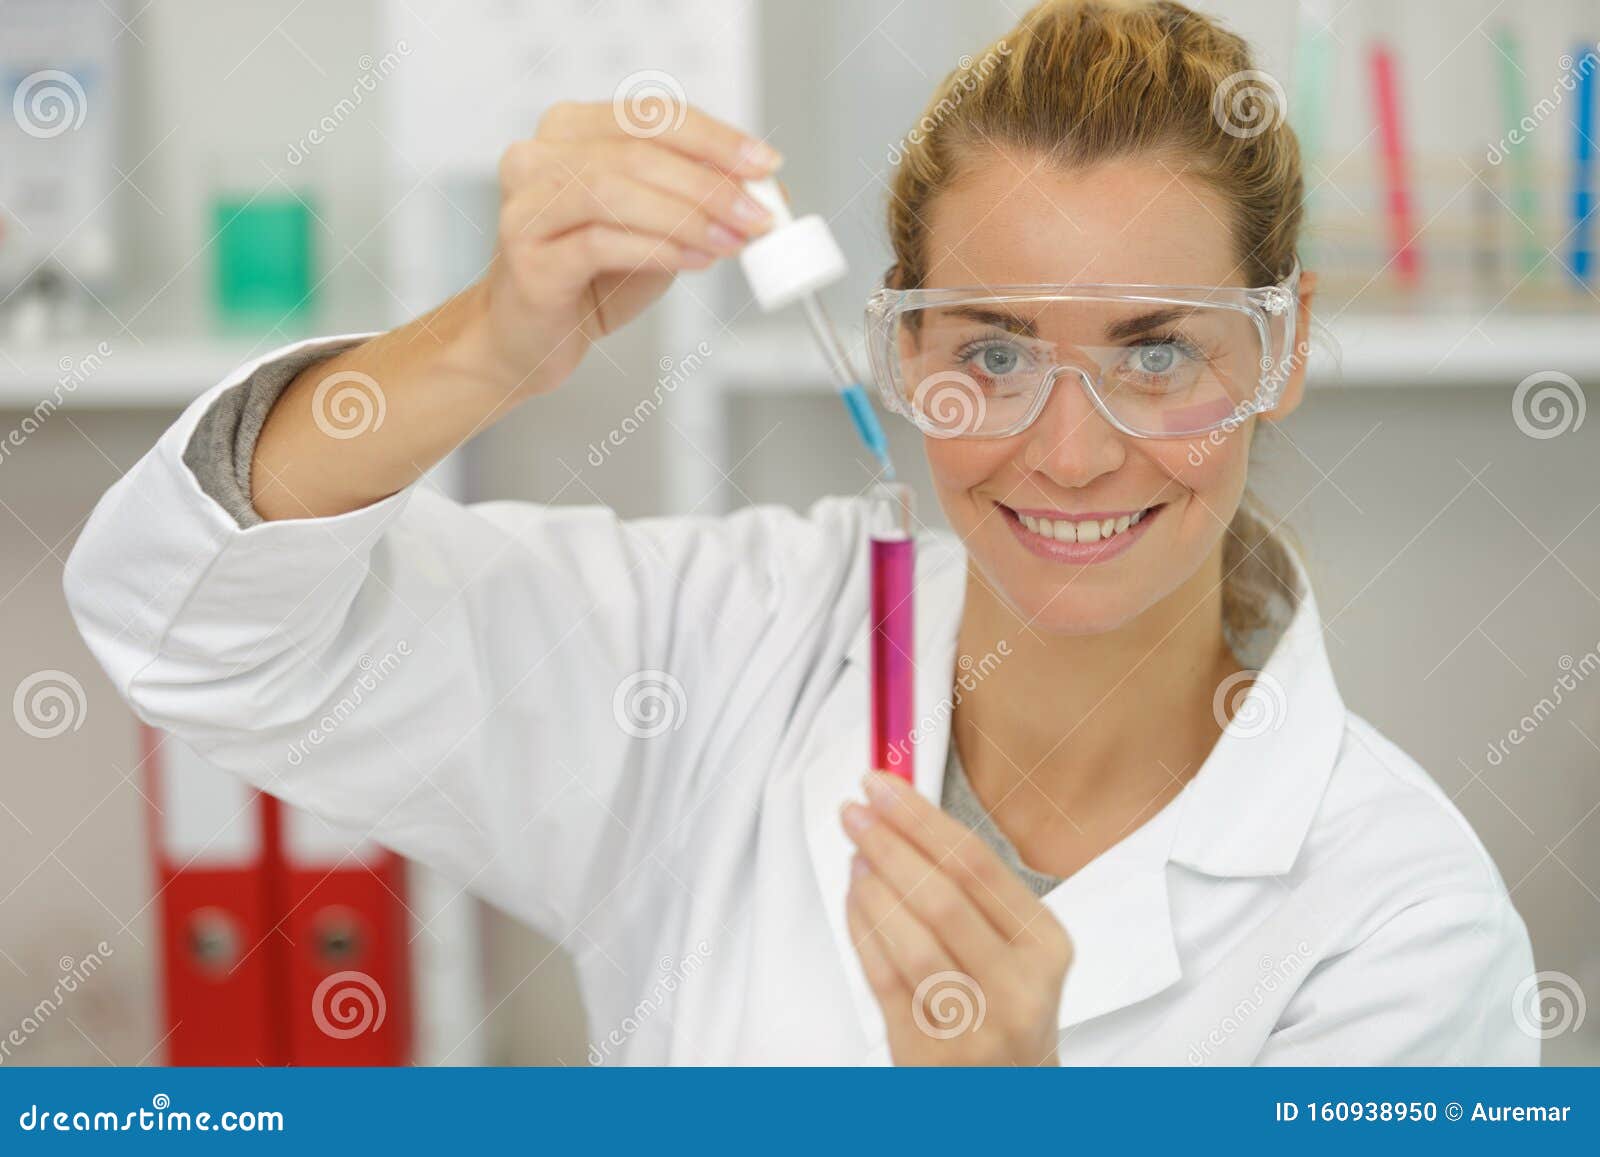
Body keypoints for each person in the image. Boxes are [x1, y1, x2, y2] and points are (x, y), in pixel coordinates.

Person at [65, 0, 1536, 1065]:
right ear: (896, 344)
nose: (1072, 452)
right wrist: (483, 347)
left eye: (1159, 351)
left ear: (1278, 351)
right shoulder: (731, 649)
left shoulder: (1399, 924)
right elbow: (194, 625)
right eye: (995, 352)